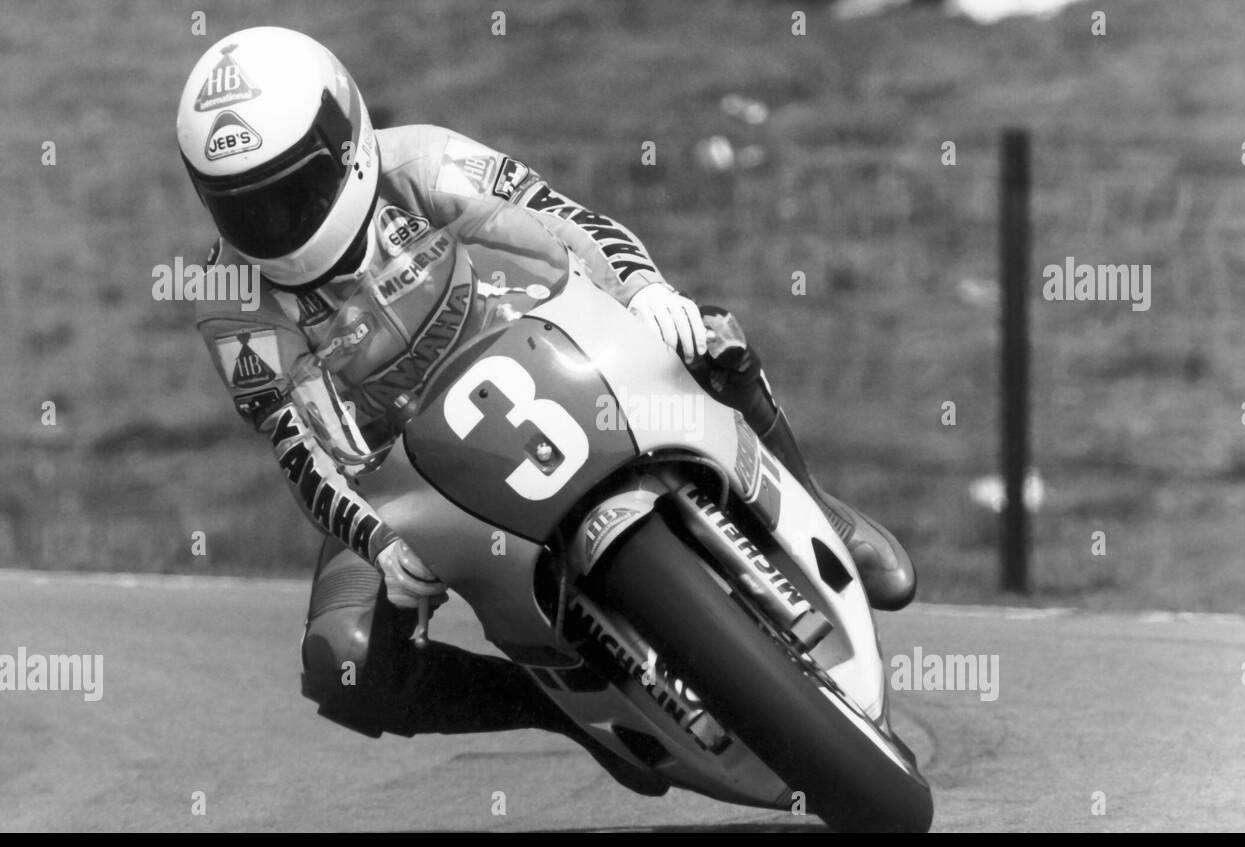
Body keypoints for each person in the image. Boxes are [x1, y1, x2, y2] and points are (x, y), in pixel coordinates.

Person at [178, 26, 914, 795]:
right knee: (345, 666)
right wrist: (378, 542)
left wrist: (646, 293)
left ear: (348, 142)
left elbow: (563, 219)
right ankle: (561, 705)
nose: (274, 221)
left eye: (294, 189)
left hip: (534, 342)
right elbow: (299, 445)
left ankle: (816, 506)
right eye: (244, 205)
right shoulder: (228, 299)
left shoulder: (423, 162)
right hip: (400, 473)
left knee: (711, 336)